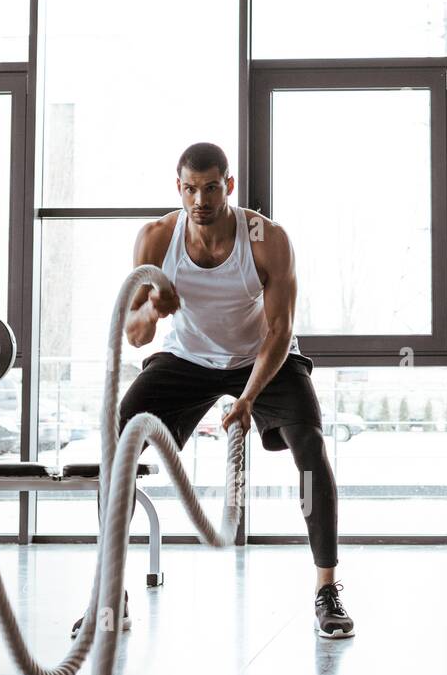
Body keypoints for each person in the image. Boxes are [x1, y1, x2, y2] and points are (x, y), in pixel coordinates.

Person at [75, 141, 354, 640]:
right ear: (177, 188)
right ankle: (110, 589)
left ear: (228, 186)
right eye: (189, 189)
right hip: (187, 358)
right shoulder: (158, 238)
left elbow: (279, 330)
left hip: (262, 358)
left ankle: (327, 589)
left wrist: (247, 398)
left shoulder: (267, 240)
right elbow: (134, 334)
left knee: (310, 447)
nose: (199, 200)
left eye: (209, 189)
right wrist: (151, 310)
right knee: (120, 440)